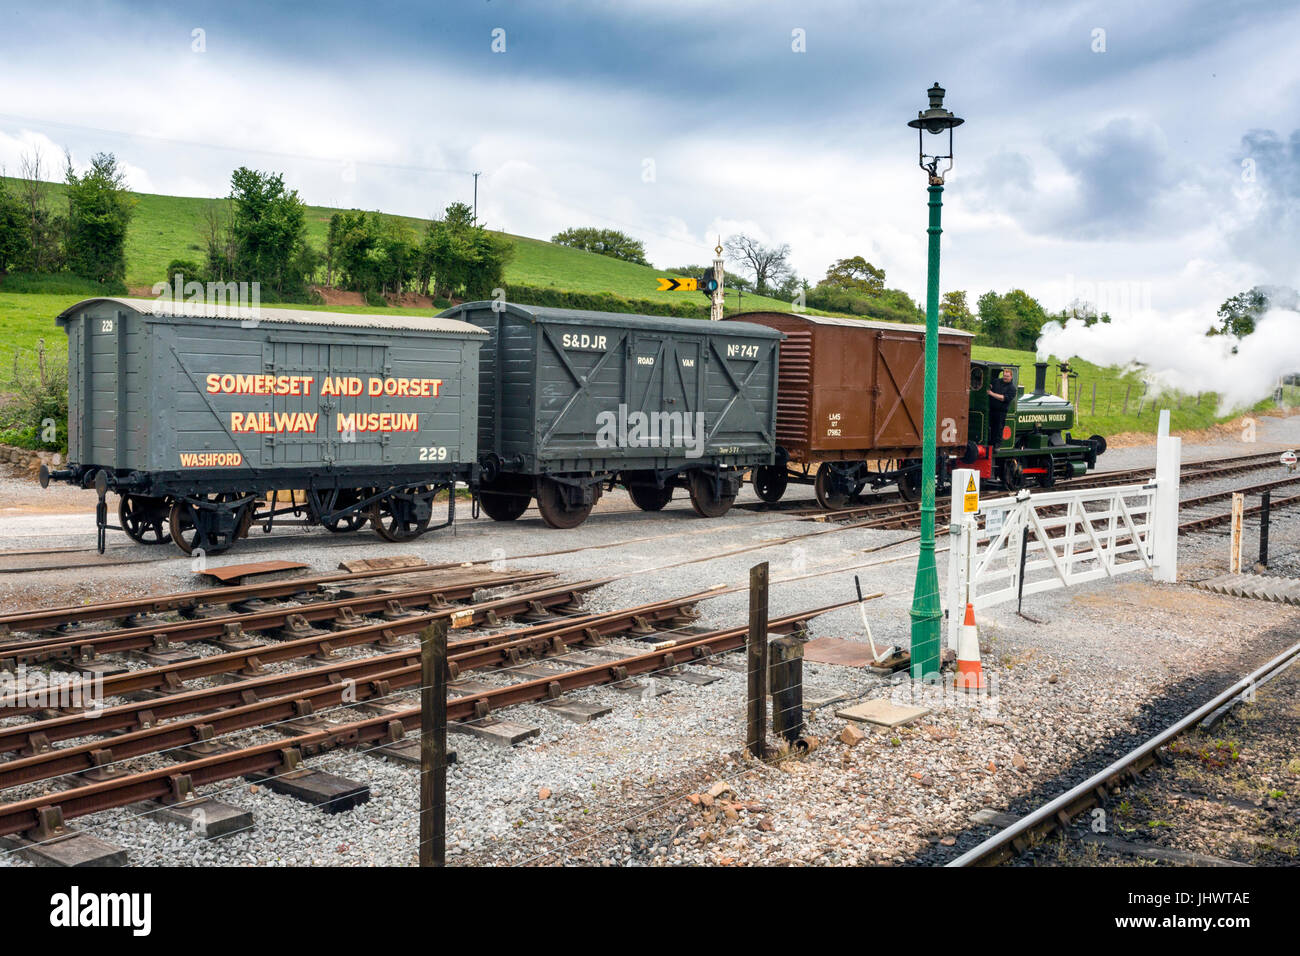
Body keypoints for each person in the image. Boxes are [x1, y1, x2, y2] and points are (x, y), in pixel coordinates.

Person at [986, 366, 1016, 448]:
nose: (1005, 378)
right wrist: (989, 386)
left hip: (1001, 412)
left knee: (998, 429)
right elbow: (990, 384)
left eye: (1007, 376)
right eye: (1004, 376)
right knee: (989, 427)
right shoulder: (997, 381)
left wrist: (991, 393)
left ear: (1011, 377)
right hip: (991, 409)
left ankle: (996, 446)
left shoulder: (1012, 388)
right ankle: (988, 443)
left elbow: (1003, 398)